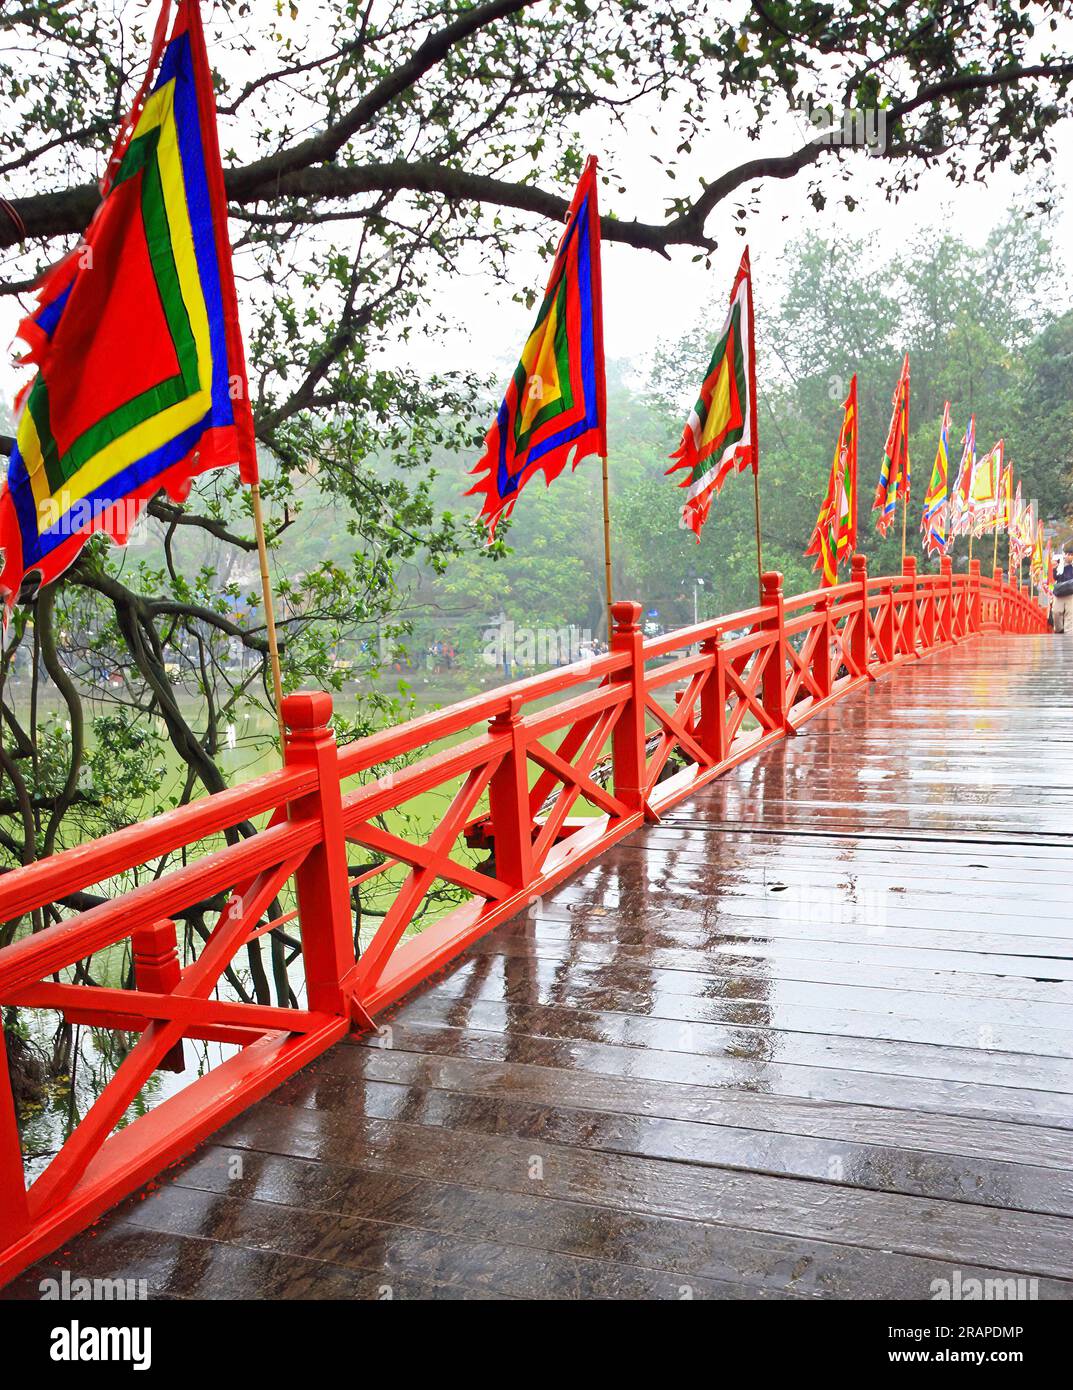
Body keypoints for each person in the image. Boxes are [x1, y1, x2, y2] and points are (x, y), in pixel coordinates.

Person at [1053, 553, 1073, 634]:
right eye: (1067, 554)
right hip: (1060, 592)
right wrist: (1055, 568)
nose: (1068, 556)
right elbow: (1055, 577)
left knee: (1070, 614)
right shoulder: (1060, 565)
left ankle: (1069, 634)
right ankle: (1059, 629)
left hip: (1071, 593)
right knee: (1056, 612)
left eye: (1071, 555)